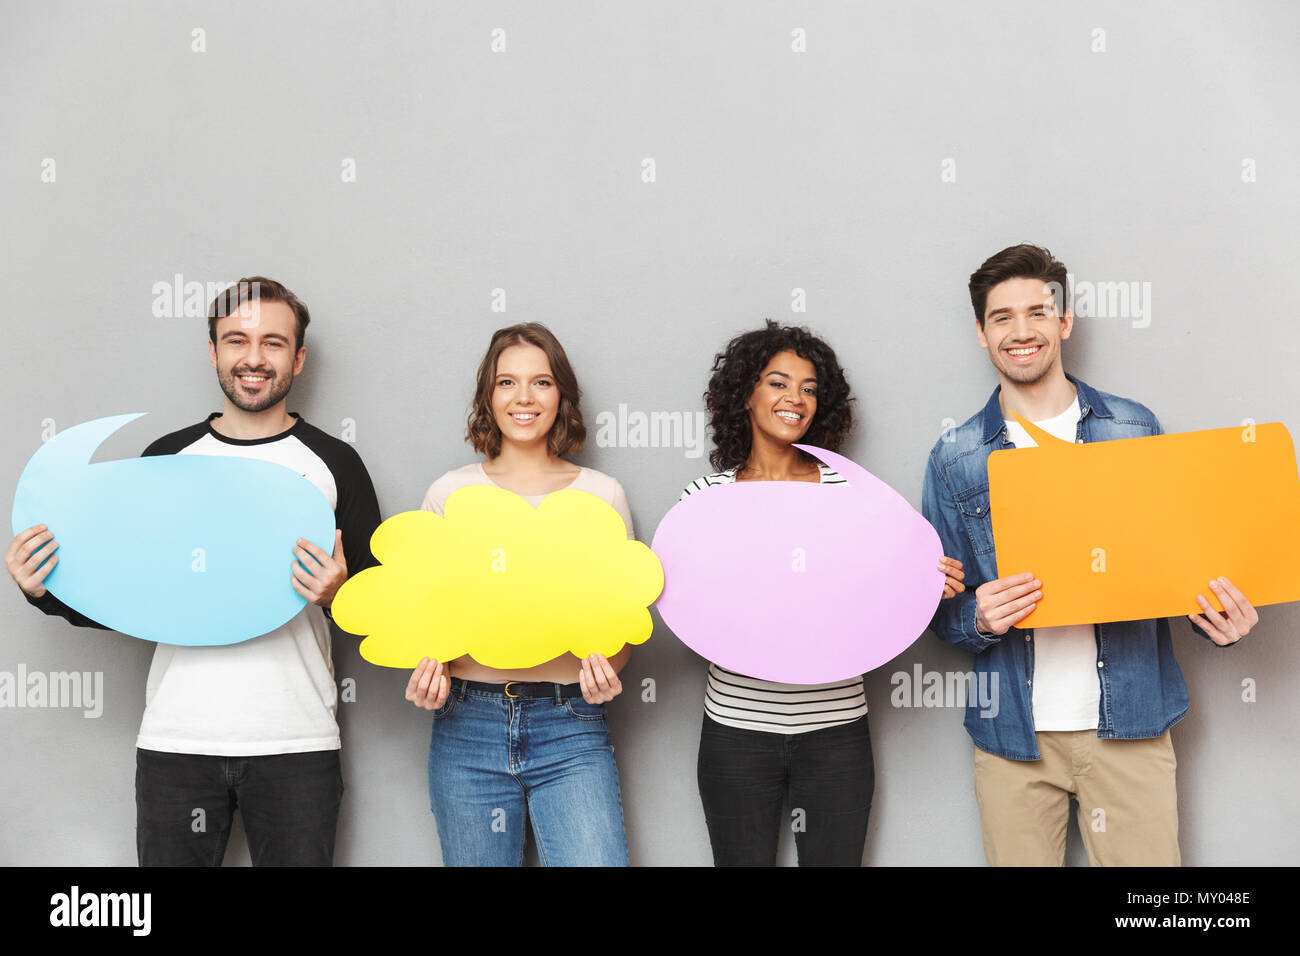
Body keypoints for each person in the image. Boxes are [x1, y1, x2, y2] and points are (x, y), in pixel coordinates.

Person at [5, 276, 382, 866]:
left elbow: (379, 609)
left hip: (299, 746)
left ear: (299, 357)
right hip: (176, 743)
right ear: (213, 351)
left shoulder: (336, 462)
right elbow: (126, 590)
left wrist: (337, 594)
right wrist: (43, 591)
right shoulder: (166, 459)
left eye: (273, 343)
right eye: (236, 340)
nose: (253, 358)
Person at [922, 243, 1258, 866]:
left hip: (1131, 724)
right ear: (981, 332)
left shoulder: (1134, 429)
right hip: (1012, 739)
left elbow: (1172, 570)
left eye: (1037, 312)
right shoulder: (956, 456)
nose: (1021, 331)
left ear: (1065, 321)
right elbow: (933, 609)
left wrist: (1218, 619)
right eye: (1002, 317)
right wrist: (977, 617)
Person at [681, 320, 964, 866]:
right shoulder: (705, 500)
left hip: (835, 732)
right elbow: (696, 605)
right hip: (736, 733)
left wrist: (929, 583)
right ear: (746, 393)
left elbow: (877, 589)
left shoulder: (853, 496)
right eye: (778, 382)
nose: (795, 399)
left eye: (809, 389)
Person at [405, 322, 634, 866]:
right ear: (489, 395)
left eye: (542, 382)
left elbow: (621, 627)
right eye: (507, 382)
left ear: (562, 397)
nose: (524, 398)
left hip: (571, 726)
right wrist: (425, 675)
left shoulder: (602, 496)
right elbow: (424, 617)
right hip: (467, 726)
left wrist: (608, 673)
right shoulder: (450, 493)